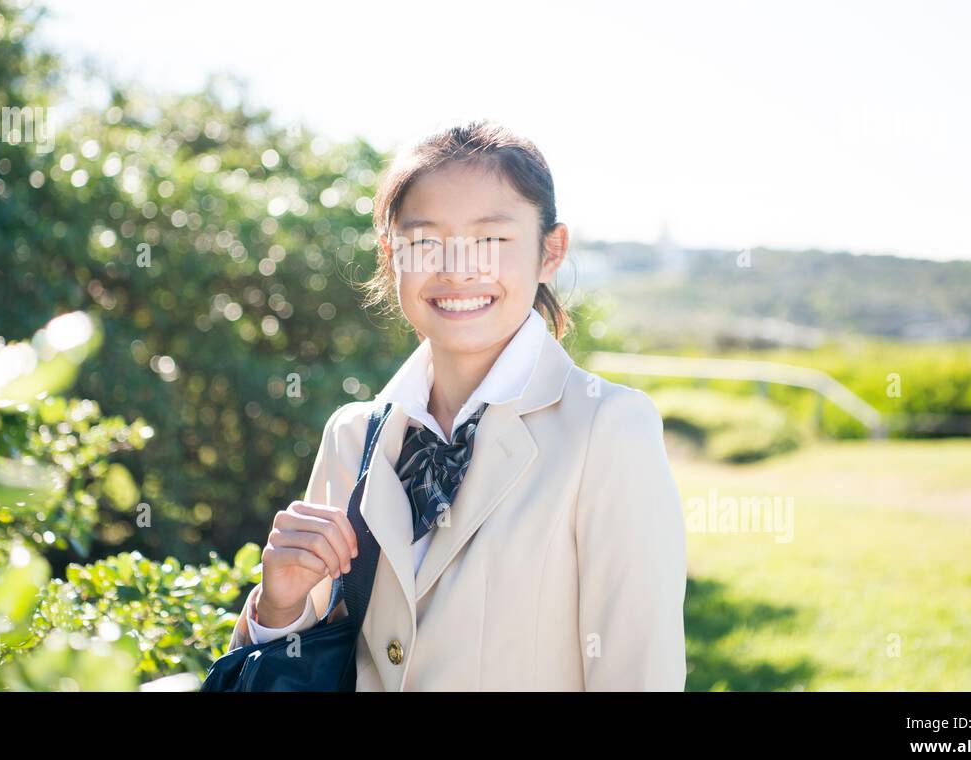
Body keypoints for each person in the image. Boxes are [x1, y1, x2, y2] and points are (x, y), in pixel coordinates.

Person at [224, 120, 687, 690]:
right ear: (390, 255)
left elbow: (638, 672)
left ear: (550, 251)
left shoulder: (608, 428)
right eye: (424, 242)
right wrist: (278, 608)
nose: (457, 268)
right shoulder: (354, 436)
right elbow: (303, 661)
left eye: (491, 240)